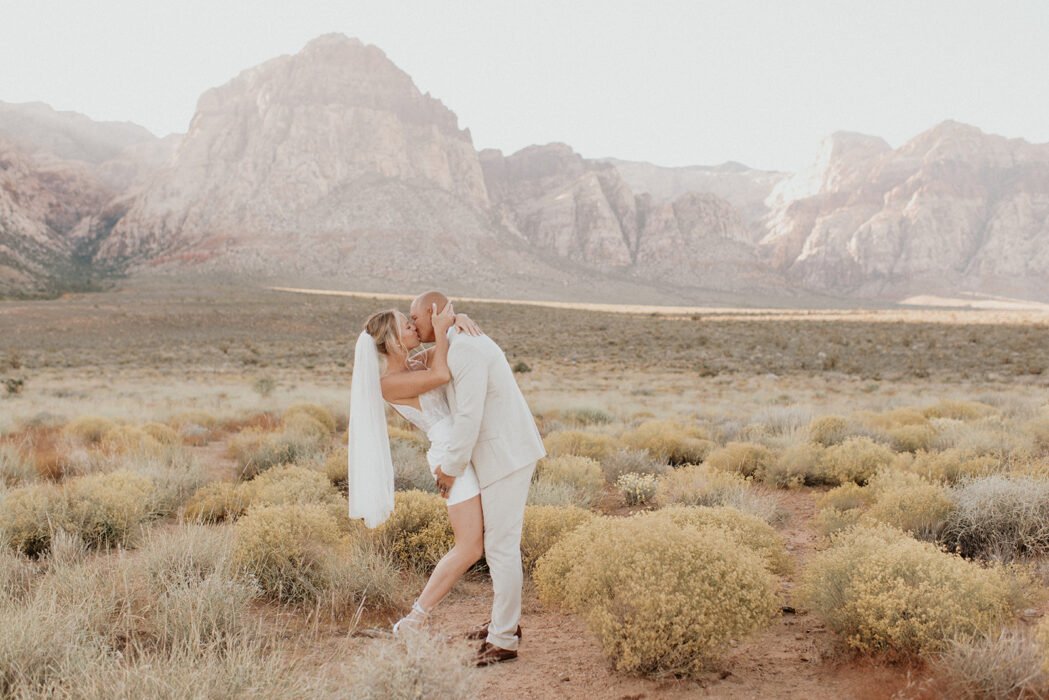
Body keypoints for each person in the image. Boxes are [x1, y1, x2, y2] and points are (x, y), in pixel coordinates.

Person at [408, 291, 546, 666]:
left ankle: (503, 640)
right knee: (498, 543)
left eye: (415, 316)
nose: (411, 323)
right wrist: (448, 325)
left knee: (501, 546)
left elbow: (469, 416)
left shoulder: (465, 348)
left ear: (434, 312)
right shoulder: (450, 343)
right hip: (496, 455)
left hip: (506, 455)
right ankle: (504, 623)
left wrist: (451, 470)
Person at [348, 302, 485, 637]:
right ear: (393, 340)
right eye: (405, 325)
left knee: (490, 539)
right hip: (450, 459)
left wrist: (457, 321)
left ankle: (499, 622)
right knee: (469, 546)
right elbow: (440, 374)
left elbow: (447, 347)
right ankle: (415, 619)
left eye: (411, 322)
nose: (412, 326)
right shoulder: (389, 383)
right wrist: (441, 331)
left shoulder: (414, 363)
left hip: (465, 450)